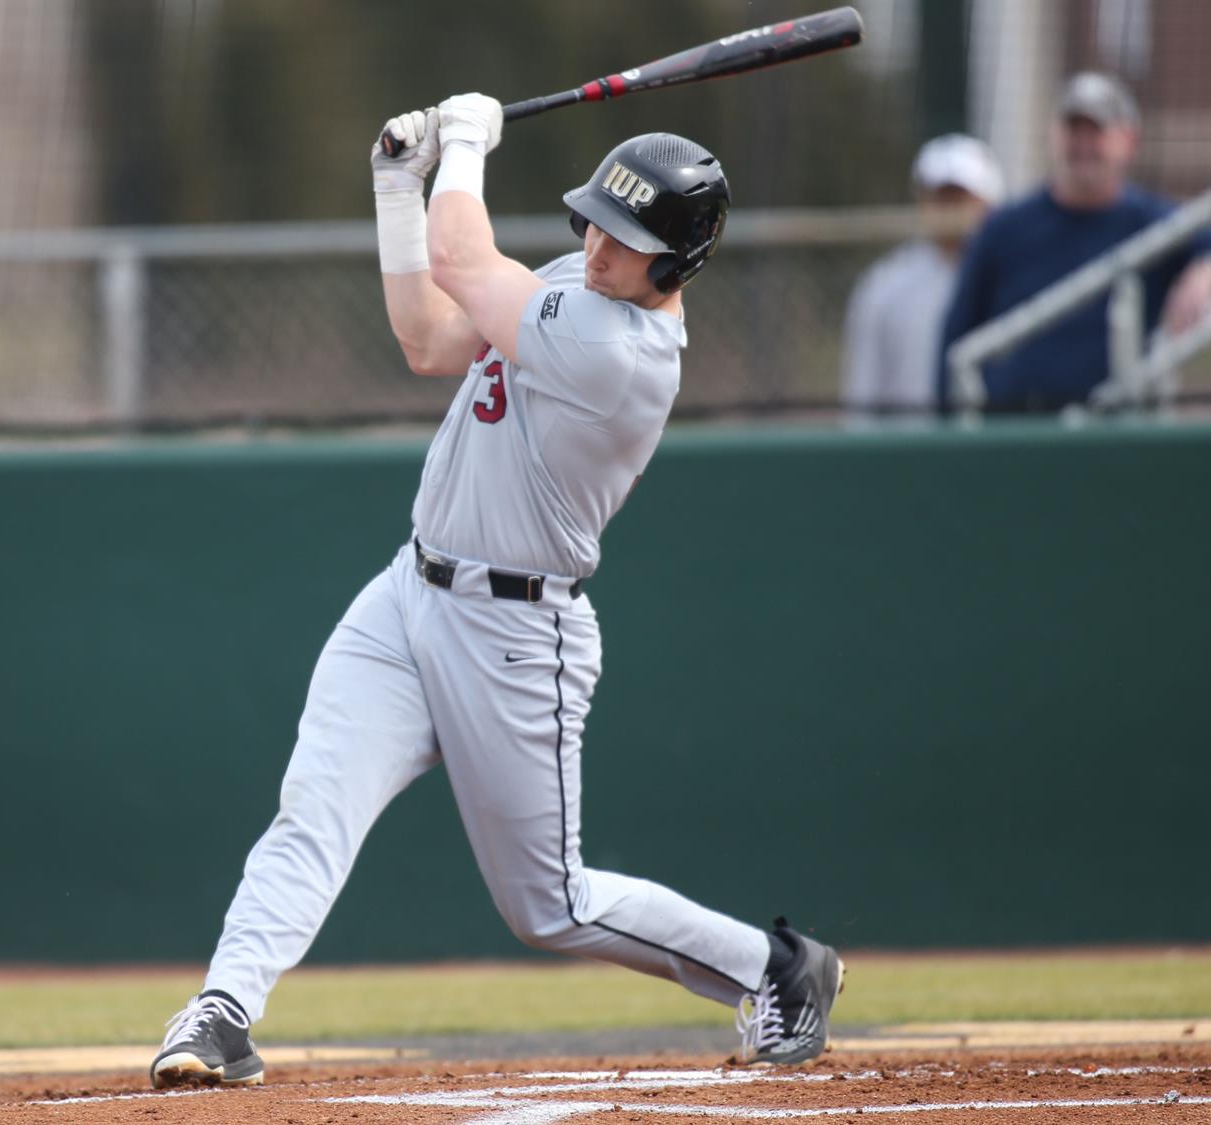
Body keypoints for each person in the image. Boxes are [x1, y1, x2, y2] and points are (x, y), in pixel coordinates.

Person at [147, 95, 843, 1090]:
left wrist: (463, 145)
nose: (602, 245)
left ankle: (772, 969)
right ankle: (221, 1008)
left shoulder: (622, 353)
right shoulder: (576, 285)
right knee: (312, 807)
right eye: (600, 220)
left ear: (678, 264)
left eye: (631, 238)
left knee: (547, 907)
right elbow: (429, 339)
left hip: (517, 631)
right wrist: (397, 188)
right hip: (407, 592)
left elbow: (464, 264)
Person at [936, 72, 1211, 413]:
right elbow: (956, 333)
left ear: (1129, 140)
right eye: (1073, 130)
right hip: (1014, 435)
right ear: (1054, 136)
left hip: (1109, 433)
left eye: (1096, 132)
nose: (1083, 145)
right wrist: (944, 434)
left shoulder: (1151, 223)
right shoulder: (1004, 227)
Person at [841, 134, 1003, 416]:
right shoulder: (884, 286)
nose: (950, 209)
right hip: (908, 450)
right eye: (940, 197)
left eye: (959, 197)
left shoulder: (1012, 281)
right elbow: (862, 400)